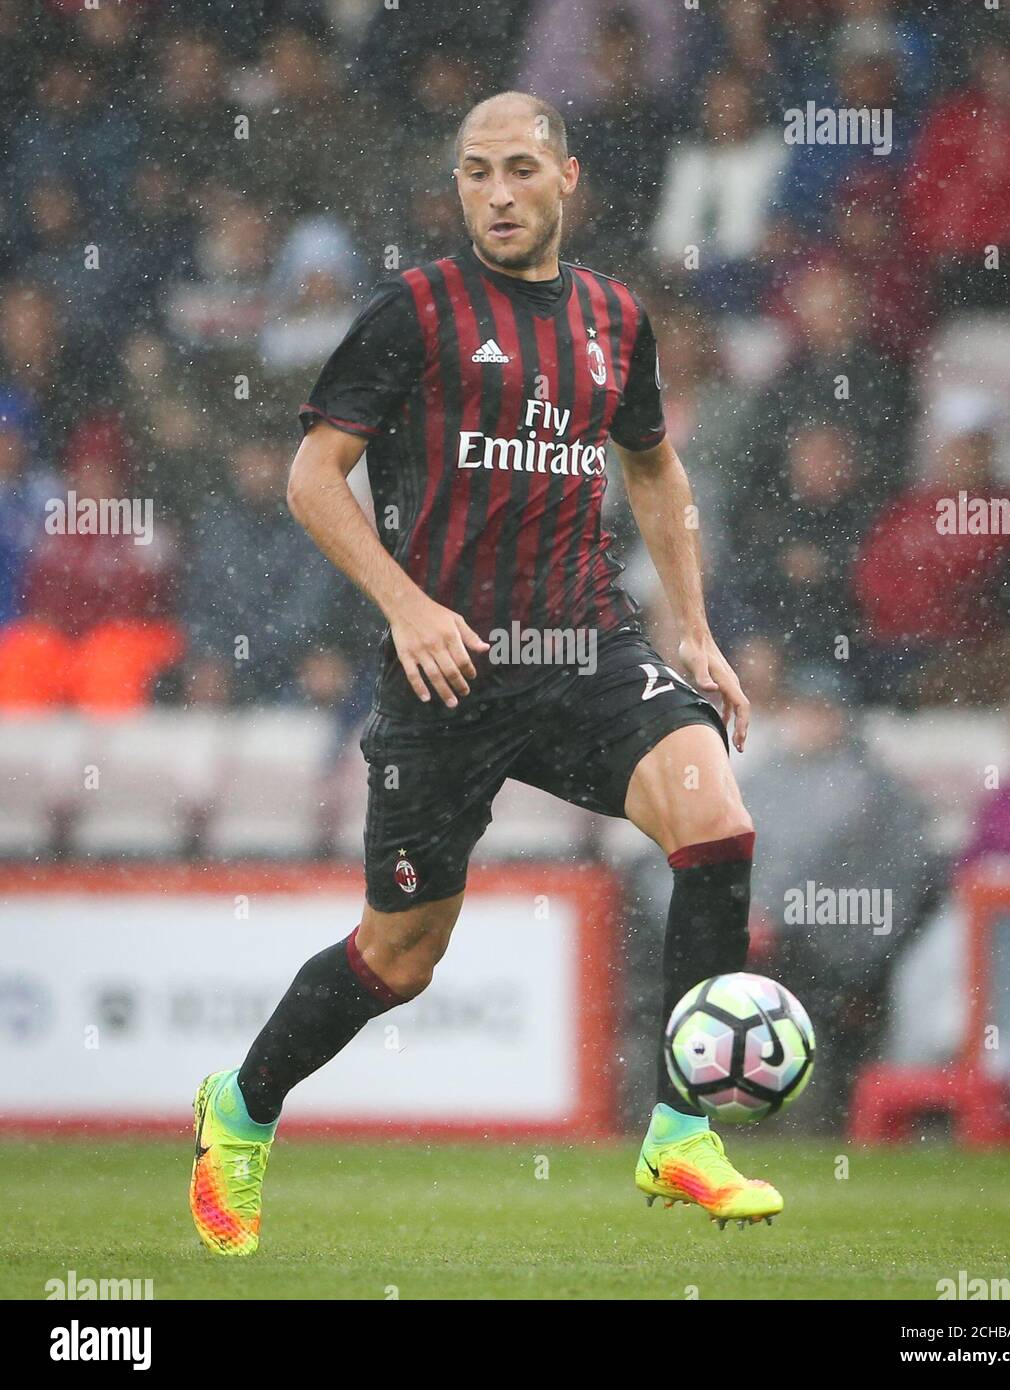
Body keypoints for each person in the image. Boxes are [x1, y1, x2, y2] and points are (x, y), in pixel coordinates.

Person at [189, 90, 781, 1256]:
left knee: (714, 816)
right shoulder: (413, 311)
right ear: (456, 185)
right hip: (447, 673)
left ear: (565, 179)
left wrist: (693, 628)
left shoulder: (616, 317)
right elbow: (312, 478)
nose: (496, 193)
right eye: (473, 173)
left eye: (518, 169)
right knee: (399, 956)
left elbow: (654, 471)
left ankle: (678, 1130)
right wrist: (407, 606)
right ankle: (240, 1110)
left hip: (584, 648)